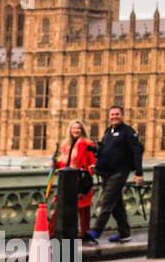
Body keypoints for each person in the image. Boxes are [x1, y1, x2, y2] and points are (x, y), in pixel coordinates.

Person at [86, 105, 145, 244]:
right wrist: (96, 163)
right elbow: (104, 151)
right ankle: (124, 233)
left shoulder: (129, 132)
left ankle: (96, 231)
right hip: (105, 172)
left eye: (117, 114)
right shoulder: (108, 131)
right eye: (112, 114)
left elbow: (137, 152)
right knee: (116, 203)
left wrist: (139, 173)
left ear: (122, 115)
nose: (114, 116)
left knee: (107, 201)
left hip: (120, 172)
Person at [50, 119, 96, 240]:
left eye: (78, 128)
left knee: (83, 209)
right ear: (70, 130)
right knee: (60, 206)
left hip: (81, 179)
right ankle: (52, 232)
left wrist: (88, 173)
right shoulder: (65, 145)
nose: (76, 130)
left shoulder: (88, 144)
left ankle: (85, 233)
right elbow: (64, 163)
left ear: (82, 130)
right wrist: (55, 163)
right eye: (73, 128)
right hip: (66, 180)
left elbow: (93, 162)